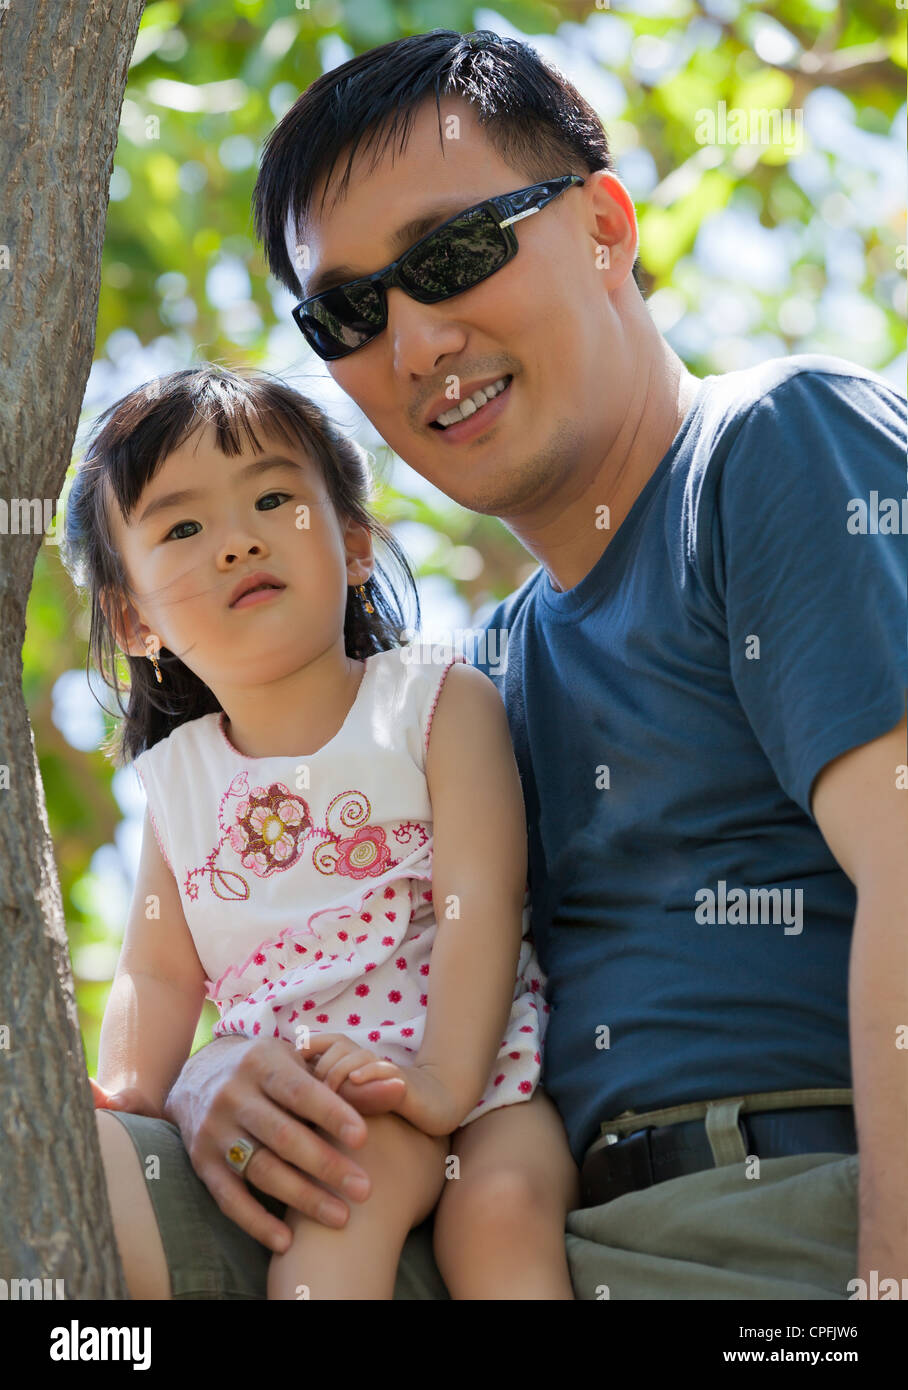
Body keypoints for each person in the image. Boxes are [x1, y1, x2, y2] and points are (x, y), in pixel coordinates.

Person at [89, 29, 906, 1300]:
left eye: (455, 252)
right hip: (509, 1240)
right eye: (352, 310)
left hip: (779, 1224)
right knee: (71, 1179)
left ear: (603, 226)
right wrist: (206, 1077)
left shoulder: (769, 449)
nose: (415, 347)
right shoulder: (478, 681)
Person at [65, 364, 580, 1299]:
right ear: (132, 618)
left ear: (349, 544)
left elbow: (483, 902)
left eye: (271, 498)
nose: (236, 542)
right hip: (312, 1100)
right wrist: (131, 1094)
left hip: (484, 1078)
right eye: (183, 527)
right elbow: (158, 972)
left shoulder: (433, 701)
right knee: (334, 1219)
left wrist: (437, 1081)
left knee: (502, 1221)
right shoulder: (179, 783)